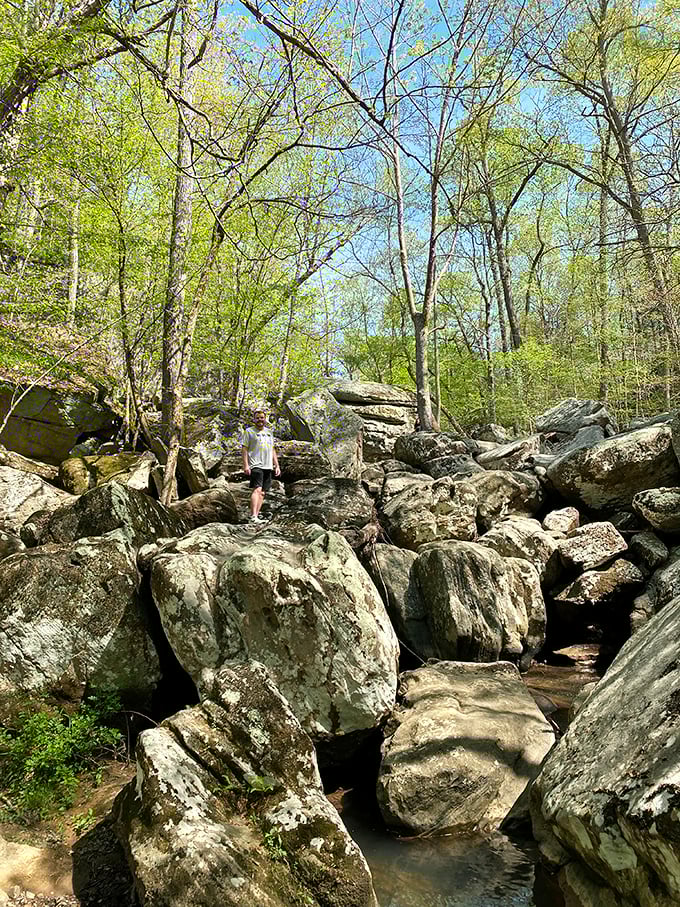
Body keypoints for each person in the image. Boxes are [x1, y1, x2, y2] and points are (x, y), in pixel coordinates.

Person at [241, 409, 280, 524]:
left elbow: (272, 449)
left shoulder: (269, 432)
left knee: (263, 492)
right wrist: (246, 465)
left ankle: (256, 516)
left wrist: (276, 465)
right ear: (254, 419)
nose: (260, 420)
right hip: (256, 464)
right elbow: (244, 449)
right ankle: (253, 516)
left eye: (262, 417)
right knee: (257, 489)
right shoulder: (249, 432)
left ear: (265, 419)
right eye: (257, 418)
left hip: (268, 466)